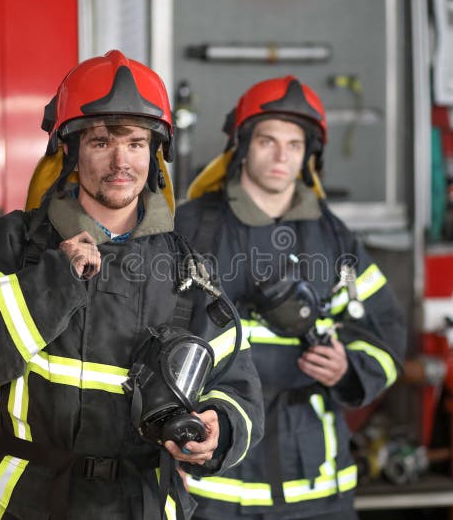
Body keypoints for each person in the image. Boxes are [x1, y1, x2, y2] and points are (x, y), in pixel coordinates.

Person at [0, 50, 264, 520]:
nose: (121, 161)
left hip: (141, 503)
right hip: (22, 501)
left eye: (137, 144)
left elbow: (237, 387)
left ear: (154, 154)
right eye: (101, 142)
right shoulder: (15, 245)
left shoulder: (188, 270)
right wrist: (52, 282)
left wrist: (219, 427)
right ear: (71, 150)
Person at [174, 76, 406, 519]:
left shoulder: (333, 237)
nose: (282, 156)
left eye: (295, 145)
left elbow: (385, 330)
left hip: (317, 488)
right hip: (215, 484)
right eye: (268, 140)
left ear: (309, 156)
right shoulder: (192, 229)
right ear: (242, 145)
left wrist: (348, 368)